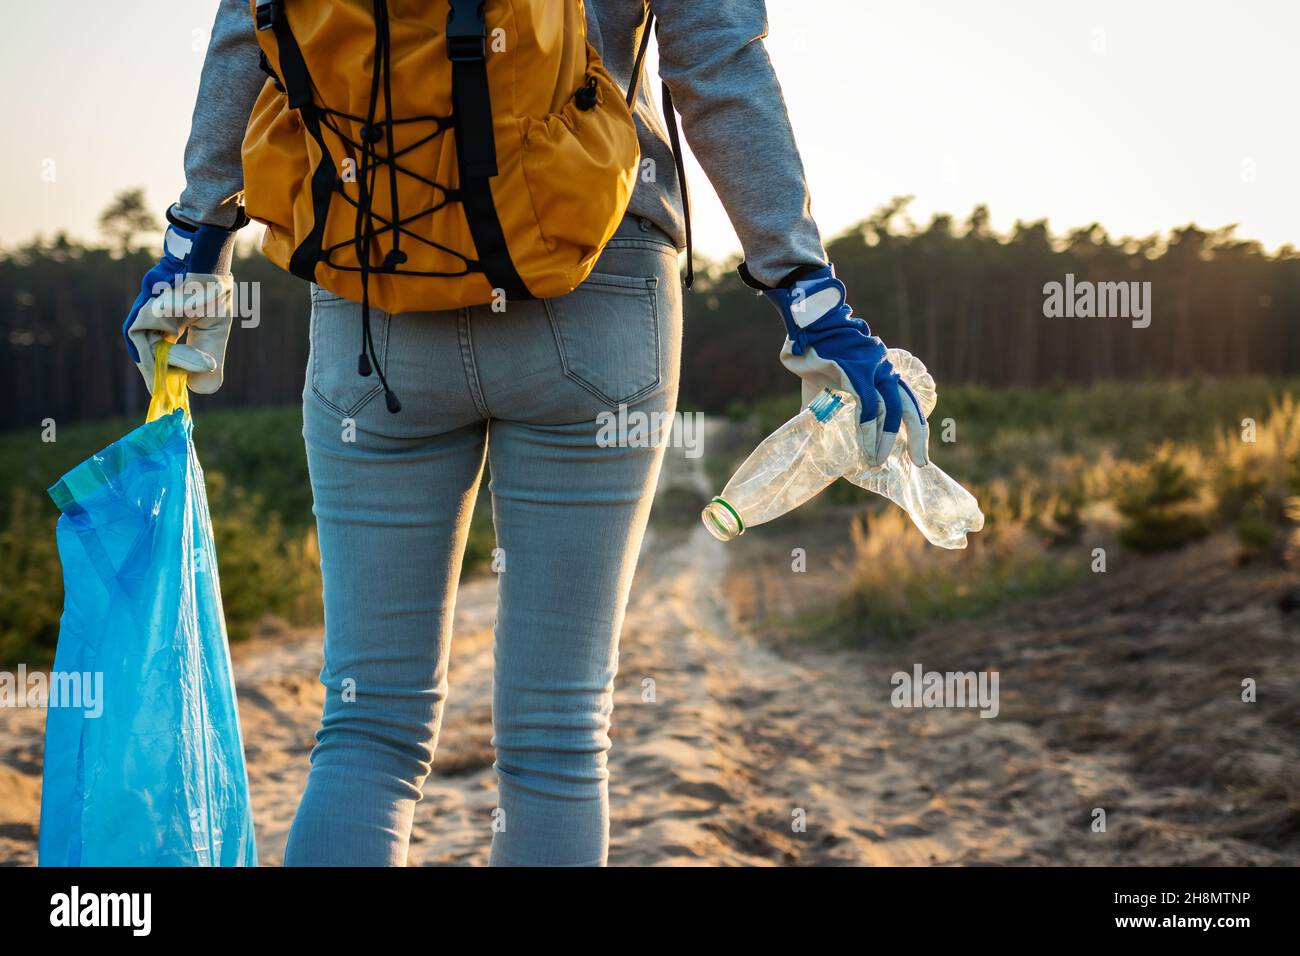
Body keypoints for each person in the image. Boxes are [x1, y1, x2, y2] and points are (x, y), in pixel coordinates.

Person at [123, 0, 929, 867]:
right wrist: (806, 292)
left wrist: (196, 241)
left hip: (374, 294)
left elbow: (251, 29)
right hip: (597, 282)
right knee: (559, 736)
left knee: (367, 724)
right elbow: (717, 64)